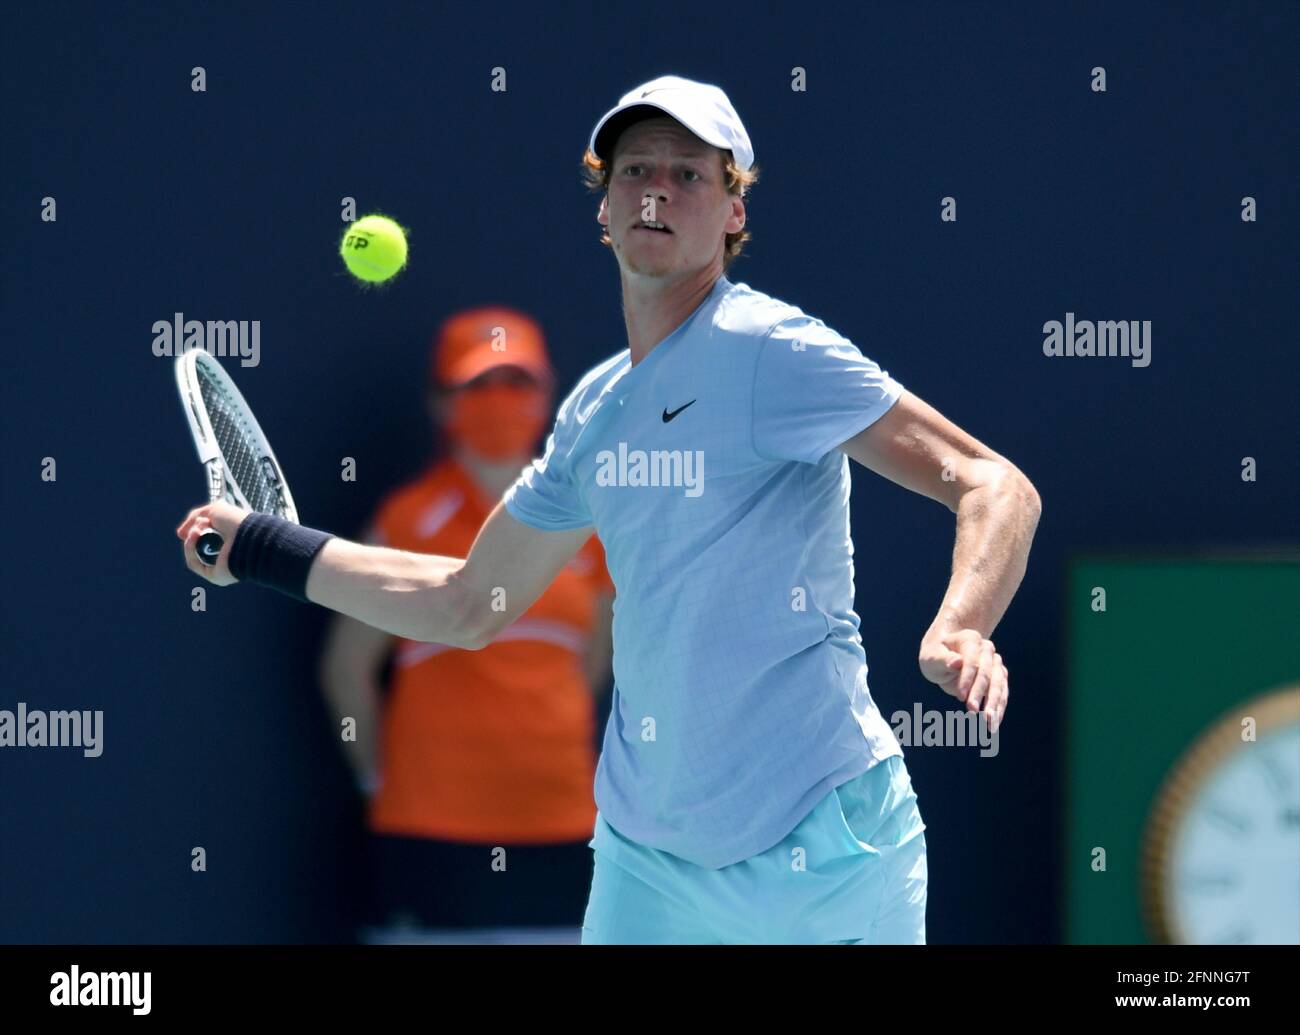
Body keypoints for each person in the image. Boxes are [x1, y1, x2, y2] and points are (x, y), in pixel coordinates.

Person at [178, 74, 1042, 944]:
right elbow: (470, 600)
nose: (656, 189)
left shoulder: (772, 350)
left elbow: (991, 481)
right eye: (634, 171)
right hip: (649, 865)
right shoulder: (593, 413)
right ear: (605, 208)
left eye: (689, 174)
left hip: (823, 843)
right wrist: (265, 548)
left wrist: (961, 625)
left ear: (734, 212)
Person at [319, 308, 614, 942]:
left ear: (546, 398)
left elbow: (595, 659)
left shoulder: (591, 527)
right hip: (430, 835)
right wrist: (383, 780)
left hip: (566, 827)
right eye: (477, 385)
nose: (498, 401)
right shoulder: (405, 521)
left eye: (516, 383)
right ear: (441, 404)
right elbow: (347, 668)